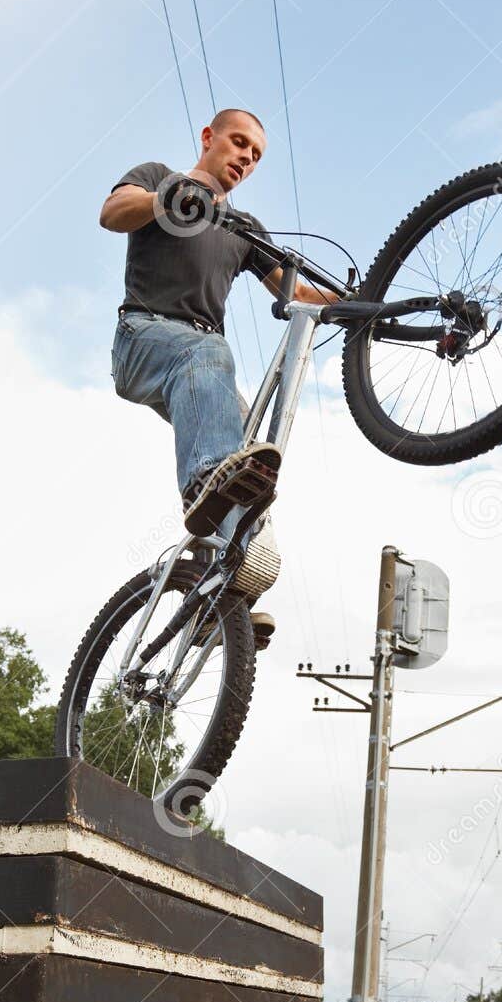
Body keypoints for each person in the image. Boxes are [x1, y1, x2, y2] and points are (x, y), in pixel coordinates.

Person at [100, 108, 337, 646]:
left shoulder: (243, 229)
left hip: (196, 362)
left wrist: (363, 302)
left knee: (249, 452)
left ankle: (221, 593)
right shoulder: (161, 178)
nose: (246, 158)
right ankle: (205, 481)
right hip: (144, 336)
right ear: (209, 137)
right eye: (239, 143)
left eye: (256, 156)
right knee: (210, 355)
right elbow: (113, 213)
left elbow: (297, 293)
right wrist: (169, 200)